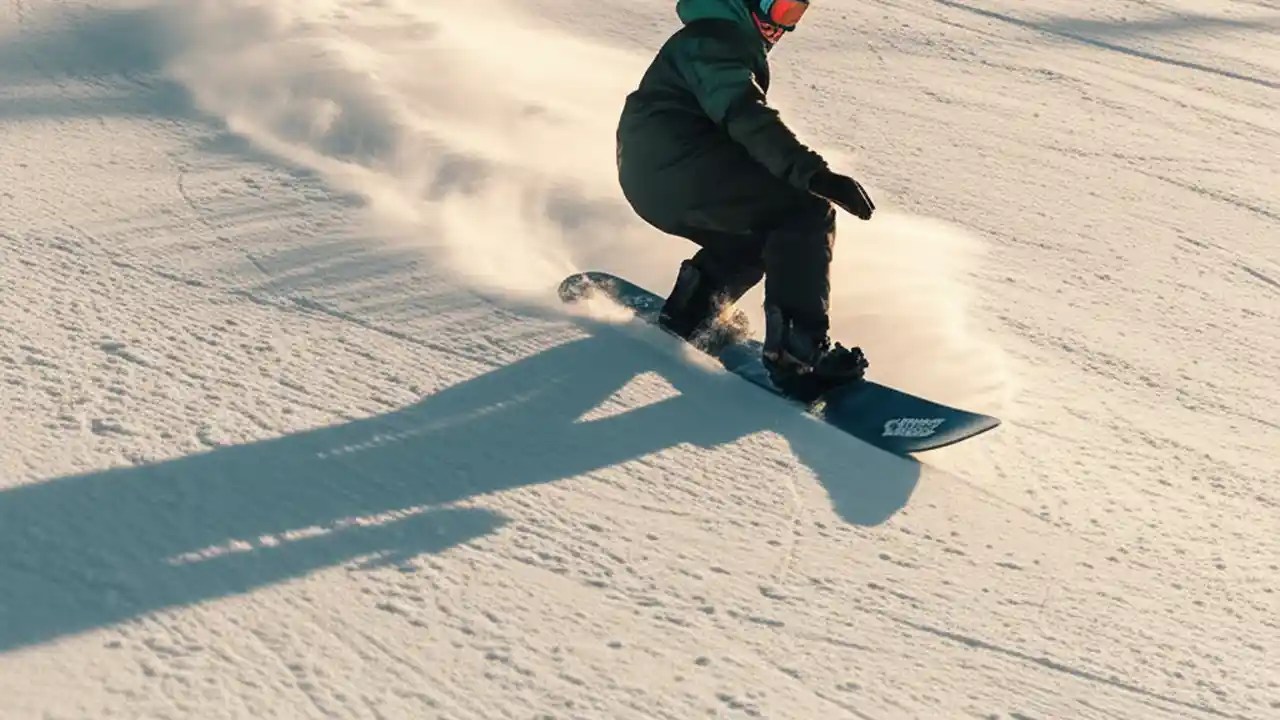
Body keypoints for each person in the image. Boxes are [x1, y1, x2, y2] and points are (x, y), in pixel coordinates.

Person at [615, 0, 877, 402]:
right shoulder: (715, 42)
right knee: (806, 211)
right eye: (780, 8)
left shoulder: (718, 38)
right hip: (676, 168)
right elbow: (746, 115)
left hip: (659, 174)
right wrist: (813, 175)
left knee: (761, 229)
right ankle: (799, 357)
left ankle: (694, 311)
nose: (781, 26)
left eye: (795, 14)